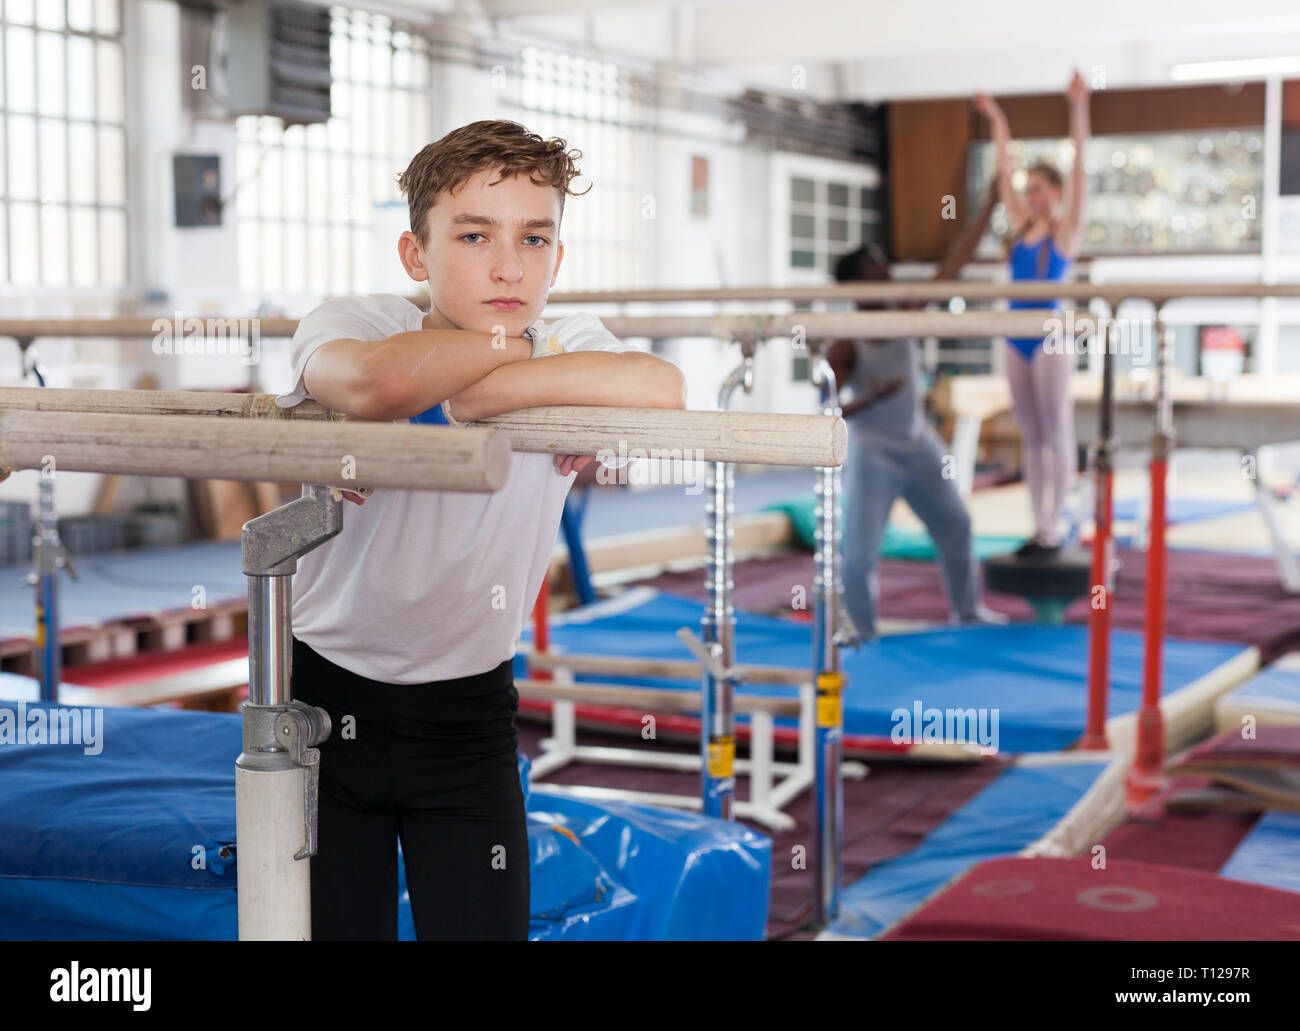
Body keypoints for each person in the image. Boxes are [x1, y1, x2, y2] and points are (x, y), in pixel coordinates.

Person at [273, 120, 686, 940]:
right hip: (325, 708)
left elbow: (661, 388)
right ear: (415, 256)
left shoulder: (567, 337)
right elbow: (372, 380)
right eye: (474, 235)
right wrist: (523, 364)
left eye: (535, 238)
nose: (509, 265)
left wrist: (468, 394)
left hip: (468, 725)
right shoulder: (357, 316)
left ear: (558, 259)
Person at [827, 182, 1001, 643]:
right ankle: (861, 633)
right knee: (858, 557)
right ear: (858, 283)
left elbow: (953, 266)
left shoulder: (906, 308)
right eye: (876, 265)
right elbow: (826, 408)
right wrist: (872, 398)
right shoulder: (845, 339)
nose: (887, 269)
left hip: (918, 442)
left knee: (958, 525)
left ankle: (967, 611)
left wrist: (990, 204)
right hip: (873, 452)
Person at [974, 70, 1091, 557]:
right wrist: (998, 119)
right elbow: (1004, 172)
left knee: (1055, 429)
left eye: (1042, 189)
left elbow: (1082, 165)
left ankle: (1057, 520)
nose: (1033, 196)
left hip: (1051, 337)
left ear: (1058, 194)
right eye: (1031, 189)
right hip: (1016, 337)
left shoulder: (1066, 233)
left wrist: (1078, 106)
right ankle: (1039, 520)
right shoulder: (1020, 230)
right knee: (1032, 435)